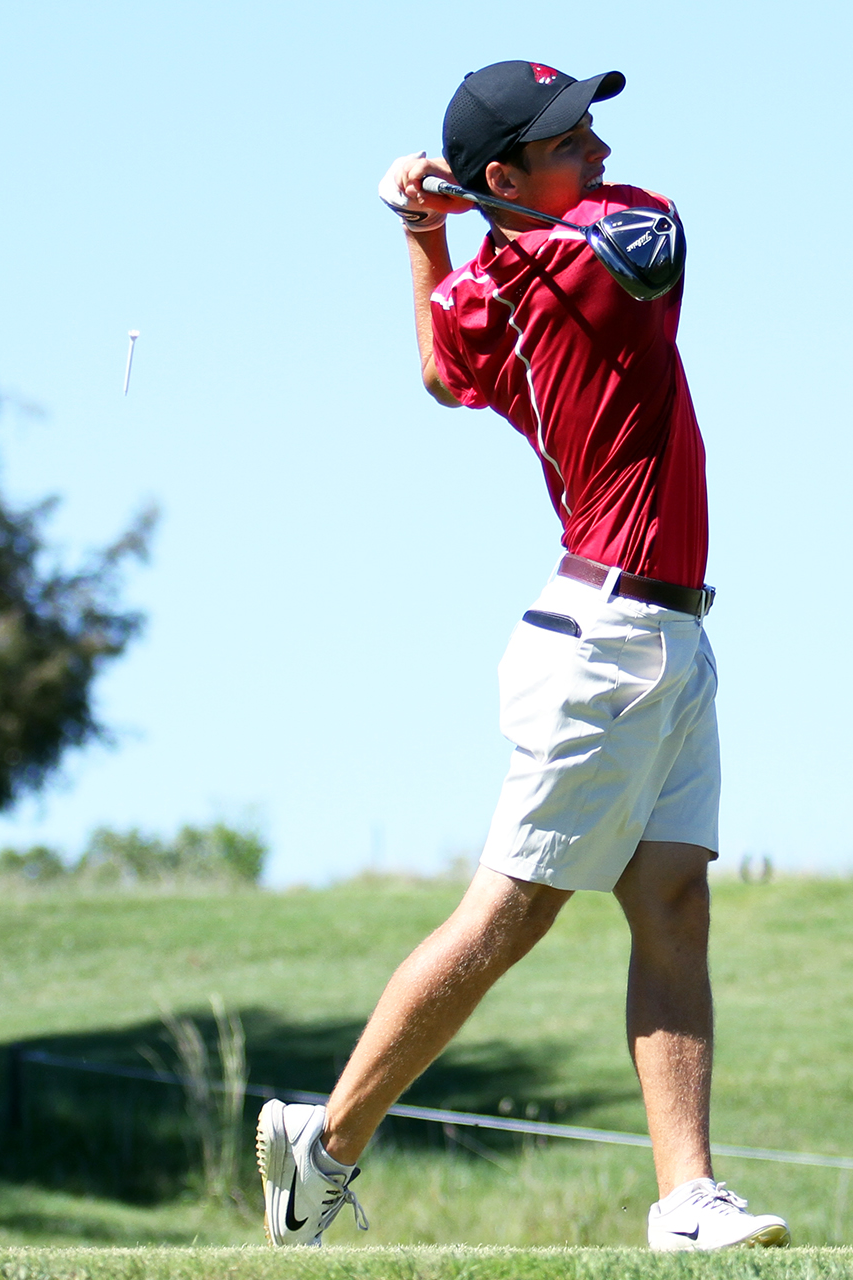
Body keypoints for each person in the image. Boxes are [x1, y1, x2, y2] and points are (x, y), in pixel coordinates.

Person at [254, 60, 789, 1253]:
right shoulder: (591, 249)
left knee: (671, 900)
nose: (596, 150)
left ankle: (687, 1199)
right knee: (511, 914)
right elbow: (641, 247)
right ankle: (325, 1140)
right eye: (567, 140)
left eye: (592, 129)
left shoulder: (506, 272)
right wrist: (451, 224)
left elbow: (445, 369)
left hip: (664, 631)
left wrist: (424, 232)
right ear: (507, 174)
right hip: (608, 635)